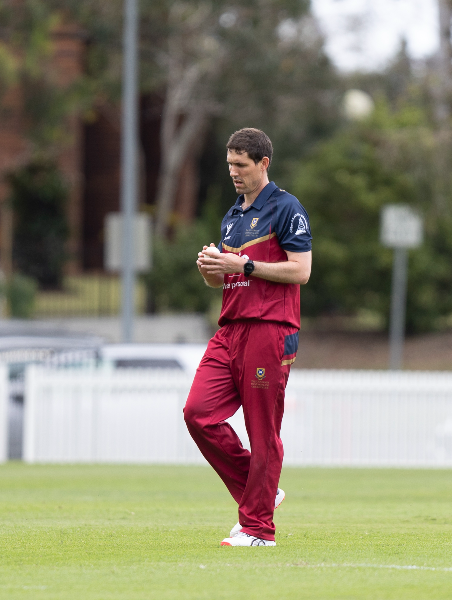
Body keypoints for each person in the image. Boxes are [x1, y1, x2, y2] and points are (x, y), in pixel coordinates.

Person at [184, 127, 312, 547]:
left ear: (263, 164)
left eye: (241, 165)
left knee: (262, 432)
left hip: (269, 329)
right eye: (229, 165)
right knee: (198, 413)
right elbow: (225, 280)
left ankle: (259, 530)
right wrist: (212, 269)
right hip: (230, 330)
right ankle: (262, 493)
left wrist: (244, 266)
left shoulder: (286, 207)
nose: (234, 173)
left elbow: (301, 270)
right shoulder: (233, 215)